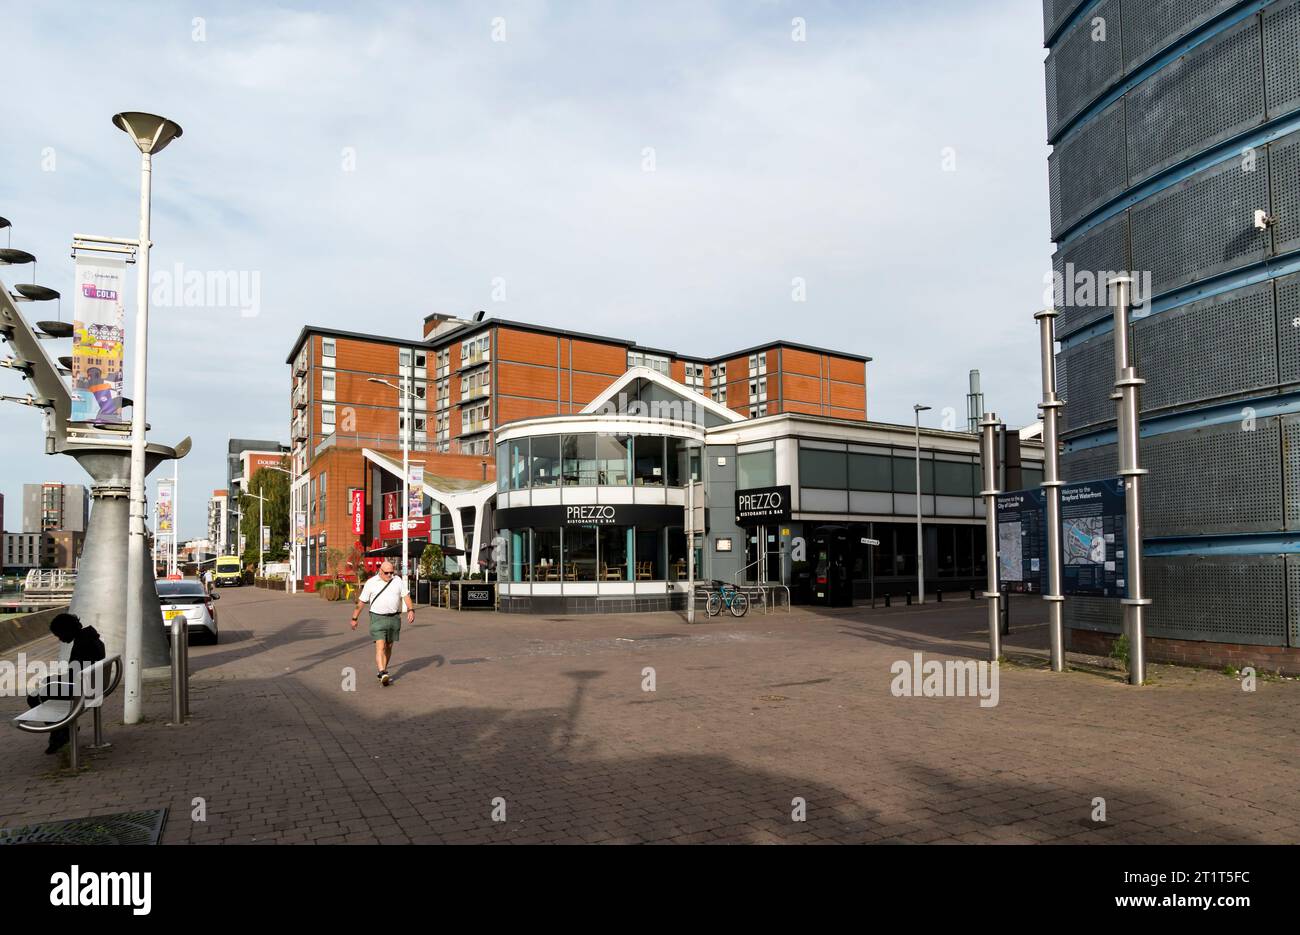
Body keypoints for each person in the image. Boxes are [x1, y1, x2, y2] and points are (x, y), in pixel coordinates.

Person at [26, 613, 106, 754]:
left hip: (83, 690)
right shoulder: (90, 639)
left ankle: (61, 730)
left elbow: (74, 675)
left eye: (59, 635)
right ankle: (61, 731)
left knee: (34, 697)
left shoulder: (83, 644)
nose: (60, 639)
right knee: (45, 690)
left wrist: (52, 680)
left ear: (66, 630)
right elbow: (78, 672)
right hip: (91, 686)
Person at [350, 562, 414, 686]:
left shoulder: (397, 581)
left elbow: (405, 596)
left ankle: (383, 672)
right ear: (380, 571)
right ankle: (382, 671)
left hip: (394, 618)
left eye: (392, 572)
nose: (389, 575)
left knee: (389, 646)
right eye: (386, 573)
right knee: (381, 645)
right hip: (377, 618)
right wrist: (354, 618)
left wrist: (411, 610)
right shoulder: (371, 583)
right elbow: (361, 602)